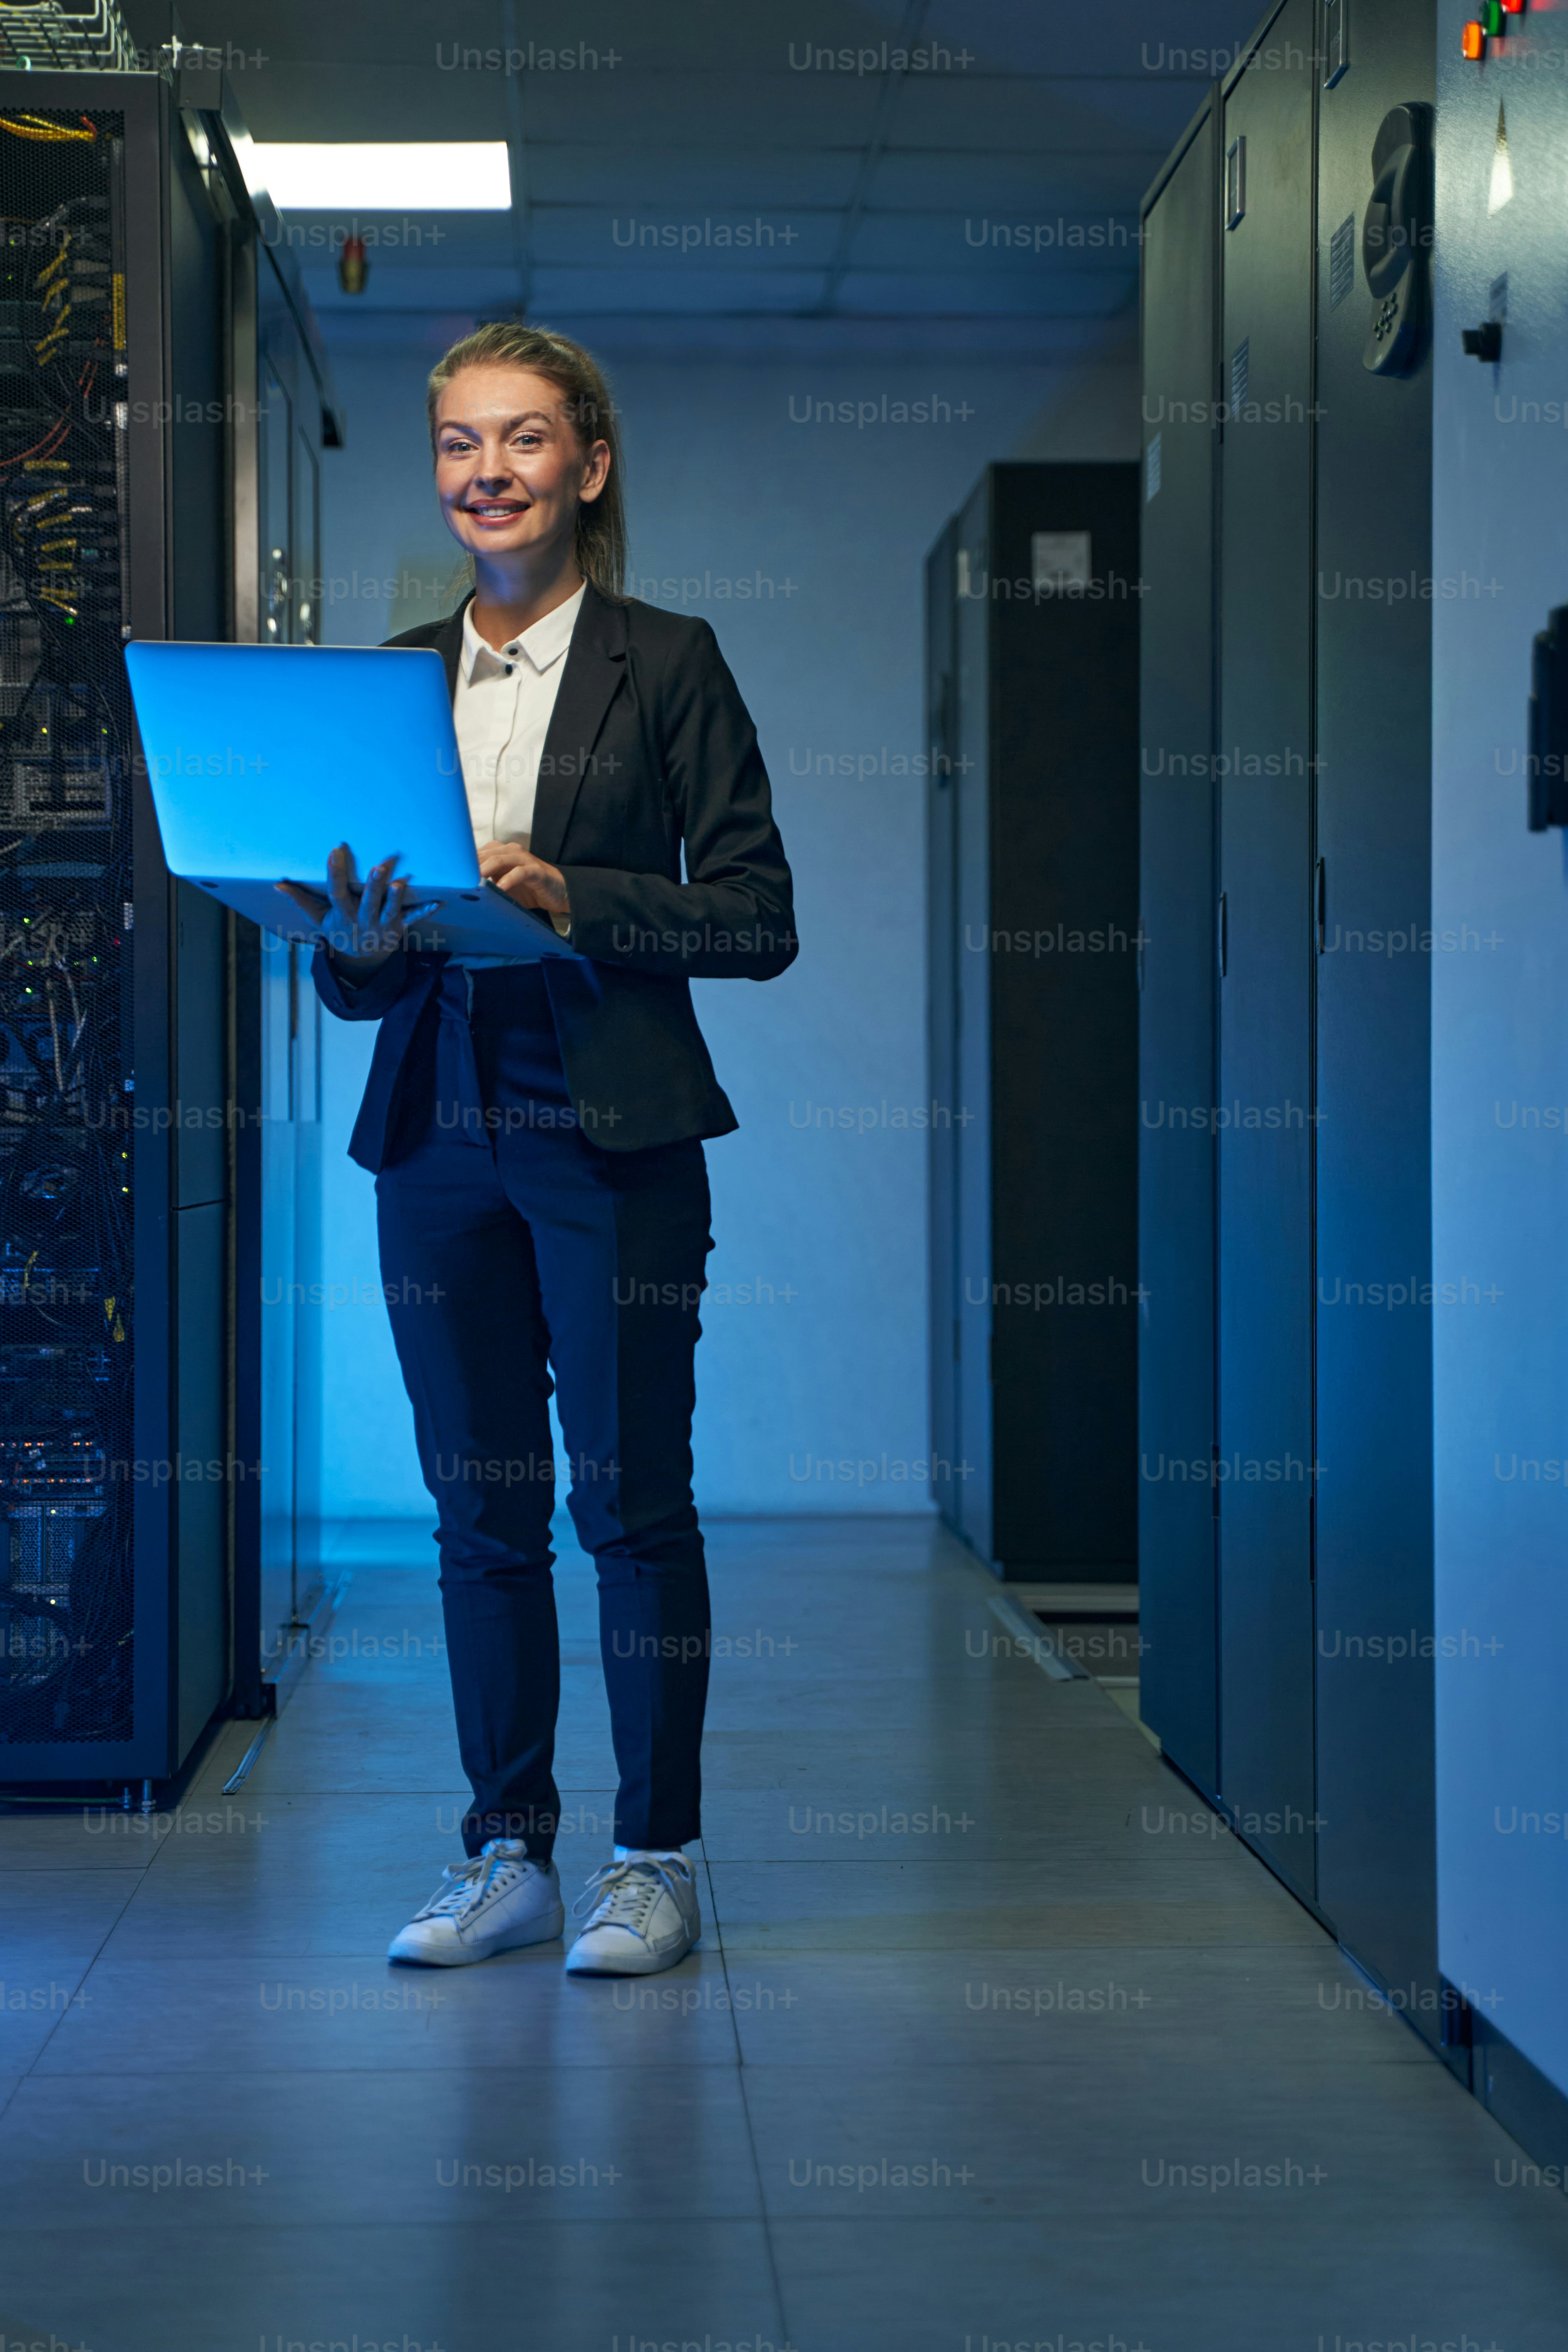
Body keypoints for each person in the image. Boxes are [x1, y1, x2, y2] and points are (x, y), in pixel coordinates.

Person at [277, 323, 796, 1978]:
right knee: (479, 1512)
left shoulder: (671, 658)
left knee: (628, 1503)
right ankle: (503, 1849)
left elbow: (759, 915)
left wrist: (579, 895)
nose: (484, 472)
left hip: (610, 1129)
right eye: (455, 444)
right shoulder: (396, 674)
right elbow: (357, 978)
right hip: (436, 1126)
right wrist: (351, 936)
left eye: (519, 439)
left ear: (589, 460)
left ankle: (651, 1858)